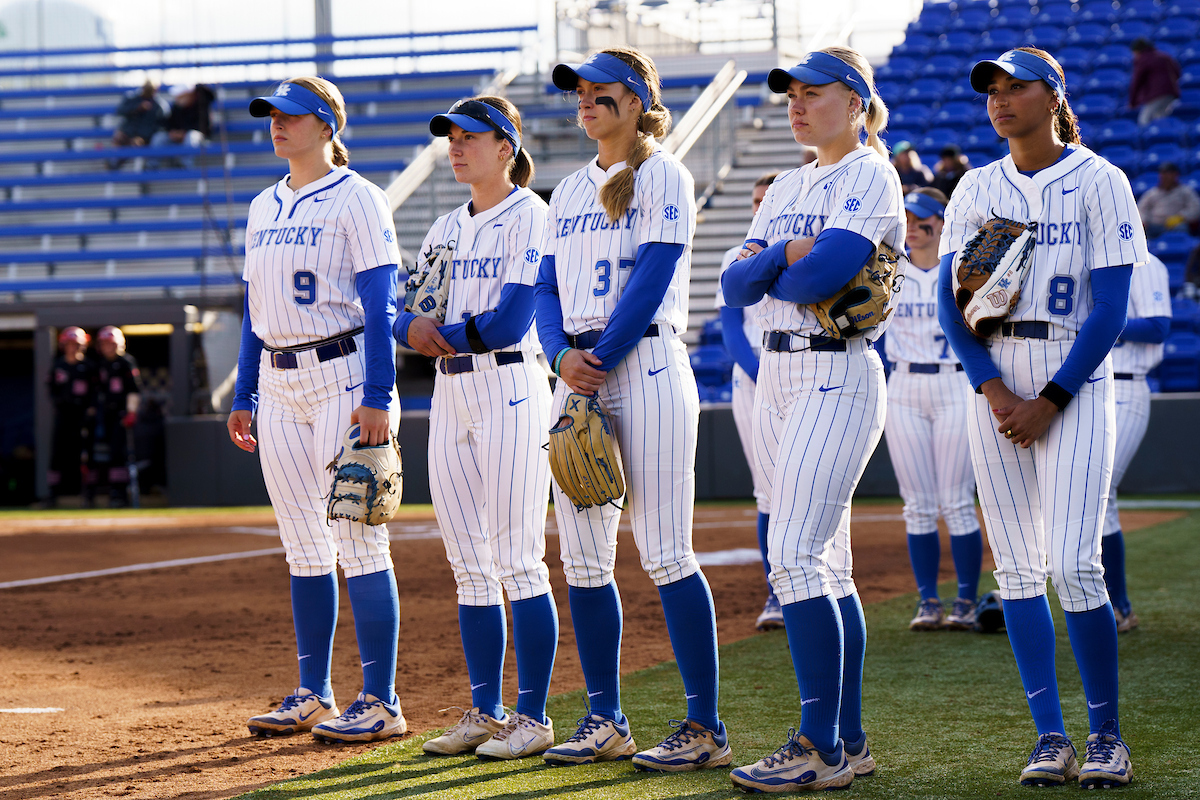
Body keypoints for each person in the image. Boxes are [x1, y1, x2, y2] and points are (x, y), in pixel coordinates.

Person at [938, 47, 1144, 788]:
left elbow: (1112, 309)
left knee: (1075, 565)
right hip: (994, 382)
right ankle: (1050, 737)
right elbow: (950, 303)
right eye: (991, 87)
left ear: (1054, 96)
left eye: (1016, 86)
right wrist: (996, 392)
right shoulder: (974, 186)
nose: (1000, 98)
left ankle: (1107, 736)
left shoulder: (1100, 181)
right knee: (1018, 569)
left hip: (1073, 380)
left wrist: (1048, 399)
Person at [535, 47, 731, 772]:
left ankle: (705, 726)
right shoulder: (565, 190)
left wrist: (595, 359)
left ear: (637, 98)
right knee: (583, 558)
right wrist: (561, 359)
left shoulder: (663, 172)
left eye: (598, 89)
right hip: (577, 372)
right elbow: (545, 292)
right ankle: (604, 716)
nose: (584, 99)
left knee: (665, 549)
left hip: (643, 361)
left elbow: (653, 277)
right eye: (578, 91)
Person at [721, 46, 904, 792]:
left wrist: (781, 260)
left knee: (793, 554)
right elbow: (735, 283)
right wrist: (784, 256)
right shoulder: (789, 182)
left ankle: (817, 746)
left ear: (856, 102)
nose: (797, 104)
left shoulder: (871, 172)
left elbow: (823, 277)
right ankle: (848, 741)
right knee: (827, 565)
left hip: (836, 366)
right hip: (780, 372)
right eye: (791, 93)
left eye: (814, 92)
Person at [227, 76, 406, 744]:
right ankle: (312, 691)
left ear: (326, 124)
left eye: (292, 115)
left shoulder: (359, 198)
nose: (278, 124)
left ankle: (381, 698)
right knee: (303, 546)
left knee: (359, 537)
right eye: (273, 114)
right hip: (277, 382)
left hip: (342, 374)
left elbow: (380, 305)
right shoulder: (262, 205)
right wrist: (243, 391)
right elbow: (254, 309)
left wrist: (379, 398)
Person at [393, 96, 559, 760]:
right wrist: (412, 329)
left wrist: (434, 332)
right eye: (451, 138)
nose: (457, 147)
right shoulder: (443, 227)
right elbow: (398, 310)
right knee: (468, 565)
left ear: (506, 147)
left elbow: (511, 321)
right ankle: (485, 711)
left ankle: (534, 716)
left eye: (471, 137)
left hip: (512, 381)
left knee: (519, 557)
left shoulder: (533, 216)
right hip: (452, 389)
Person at [884, 188, 983, 631]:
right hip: (903, 384)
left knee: (957, 502)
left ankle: (965, 599)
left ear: (940, 223)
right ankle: (928, 600)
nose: (911, 225)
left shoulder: (962, 272)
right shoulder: (889, 269)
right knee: (918, 505)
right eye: (905, 217)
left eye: (920, 218)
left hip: (951, 382)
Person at [714, 171, 783, 633]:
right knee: (767, 490)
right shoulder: (733, 256)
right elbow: (730, 328)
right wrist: (760, 373)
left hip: (802, 367)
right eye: (756, 200)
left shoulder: (806, 251)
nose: (760, 207)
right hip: (756, 378)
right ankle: (776, 592)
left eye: (768, 199)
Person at [1103, 253, 1172, 634]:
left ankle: (1118, 605)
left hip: (1127, 387)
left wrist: (1100, 321)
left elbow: (1159, 327)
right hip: (1083, 384)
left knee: (1101, 490)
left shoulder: (1147, 264)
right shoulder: (1082, 257)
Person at [90, 326, 142, 508]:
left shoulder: (126, 363)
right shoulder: (100, 365)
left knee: (119, 453)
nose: (107, 348)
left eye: (110, 344)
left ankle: (120, 492)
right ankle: (110, 491)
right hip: (106, 415)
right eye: (104, 344)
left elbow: (134, 390)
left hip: (122, 414)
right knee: (105, 454)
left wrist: (131, 412)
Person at [46, 326, 96, 507]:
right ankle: (52, 495)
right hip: (63, 415)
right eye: (69, 344)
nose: (72, 348)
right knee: (57, 455)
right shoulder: (58, 365)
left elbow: (95, 393)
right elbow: (51, 390)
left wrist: (90, 409)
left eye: (76, 345)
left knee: (85, 455)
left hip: (82, 417)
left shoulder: (88, 367)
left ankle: (88, 495)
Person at [150, 84, 215, 167]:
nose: (177, 98)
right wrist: (172, 132)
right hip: (177, 138)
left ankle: (185, 166)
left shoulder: (202, 106)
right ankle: (152, 165)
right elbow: (168, 123)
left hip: (199, 140)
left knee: (191, 136)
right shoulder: (176, 107)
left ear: (189, 95)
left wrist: (184, 132)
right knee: (159, 137)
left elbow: (204, 127)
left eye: (181, 96)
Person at [1137, 162, 1200, 237]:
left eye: (1168, 173)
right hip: (1155, 225)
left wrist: (1181, 217)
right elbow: (1141, 209)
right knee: (1141, 233)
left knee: (1181, 229)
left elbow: (1196, 208)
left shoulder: (1185, 191)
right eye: (1163, 173)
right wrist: (1144, 221)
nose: (1165, 176)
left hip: (1176, 225)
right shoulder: (1152, 193)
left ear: (1175, 175)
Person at [1129, 38, 1181, 127]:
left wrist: (1133, 102)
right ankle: (1163, 136)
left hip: (1156, 94)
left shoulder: (1143, 59)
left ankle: (1147, 139)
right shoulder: (1164, 56)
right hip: (1170, 92)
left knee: (1144, 119)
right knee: (1160, 117)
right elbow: (1177, 73)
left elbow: (1137, 81)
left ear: (1138, 51)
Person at [112, 81, 169, 148]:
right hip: (128, 132)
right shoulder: (132, 99)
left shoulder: (159, 106)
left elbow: (160, 125)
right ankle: (115, 158)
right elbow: (120, 111)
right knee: (119, 138)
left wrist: (143, 137)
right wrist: (137, 108)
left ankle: (137, 157)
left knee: (136, 143)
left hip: (145, 136)